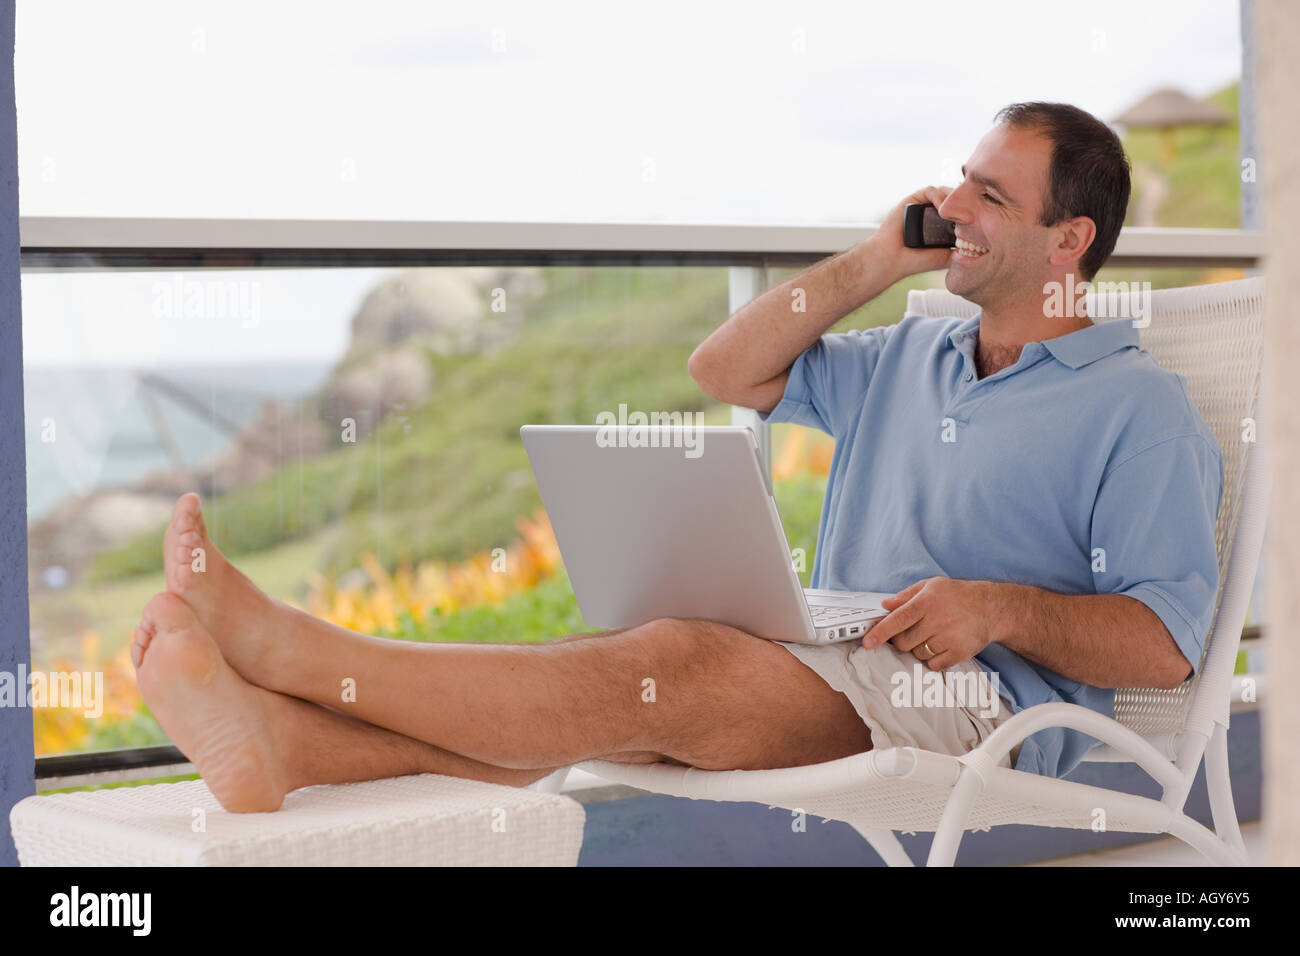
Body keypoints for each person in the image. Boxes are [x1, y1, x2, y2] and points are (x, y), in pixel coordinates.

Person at [131, 102, 1221, 812]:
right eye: (958, 180)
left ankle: (290, 650)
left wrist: (997, 607)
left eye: (991, 194)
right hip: (834, 648)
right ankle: (284, 743)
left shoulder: (1137, 406)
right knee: (628, 691)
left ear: (1069, 241)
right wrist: (879, 257)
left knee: (667, 671)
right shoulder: (913, 349)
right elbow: (724, 369)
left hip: (984, 711)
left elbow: (1166, 642)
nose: (953, 206)